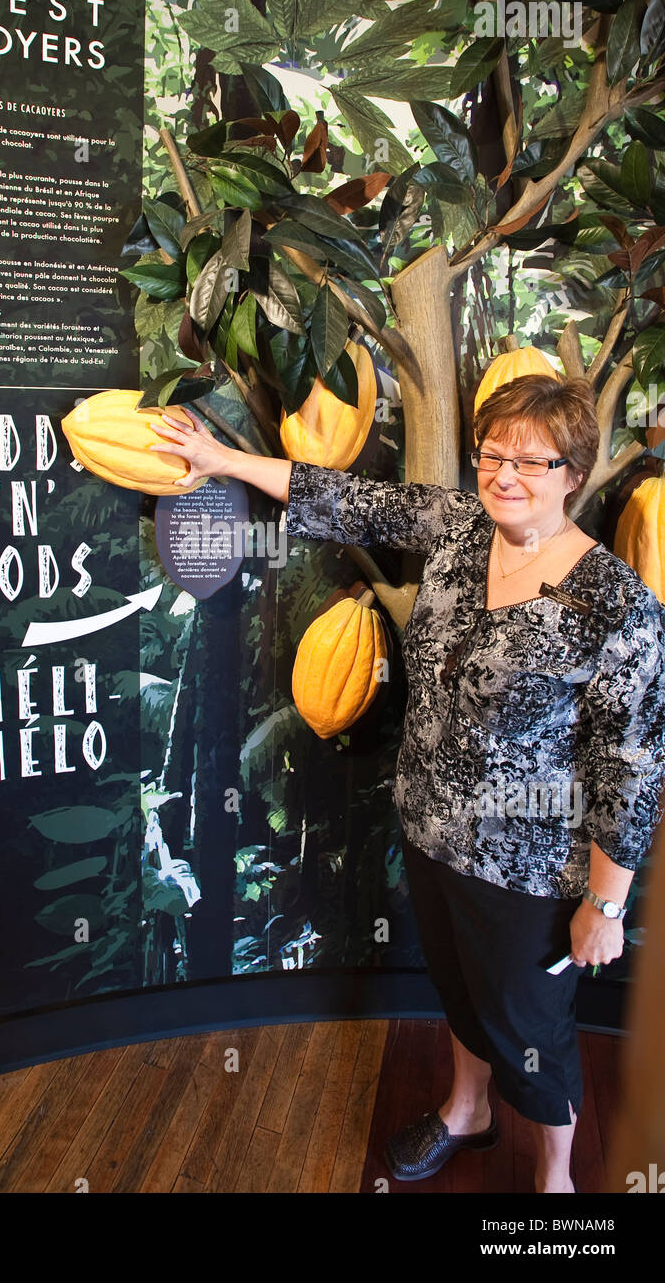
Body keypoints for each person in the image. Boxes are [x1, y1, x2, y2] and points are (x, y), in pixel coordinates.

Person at [149, 371, 665, 1195]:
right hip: (429, 830)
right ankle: (468, 1112)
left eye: (531, 462)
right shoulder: (461, 527)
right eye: (493, 453)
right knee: (458, 992)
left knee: (531, 1024)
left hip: (527, 866)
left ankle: (556, 1180)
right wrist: (222, 459)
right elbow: (346, 500)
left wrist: (605, 907)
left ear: (573, 473)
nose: (504, 474)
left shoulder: (616, 607)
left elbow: (631, 769)